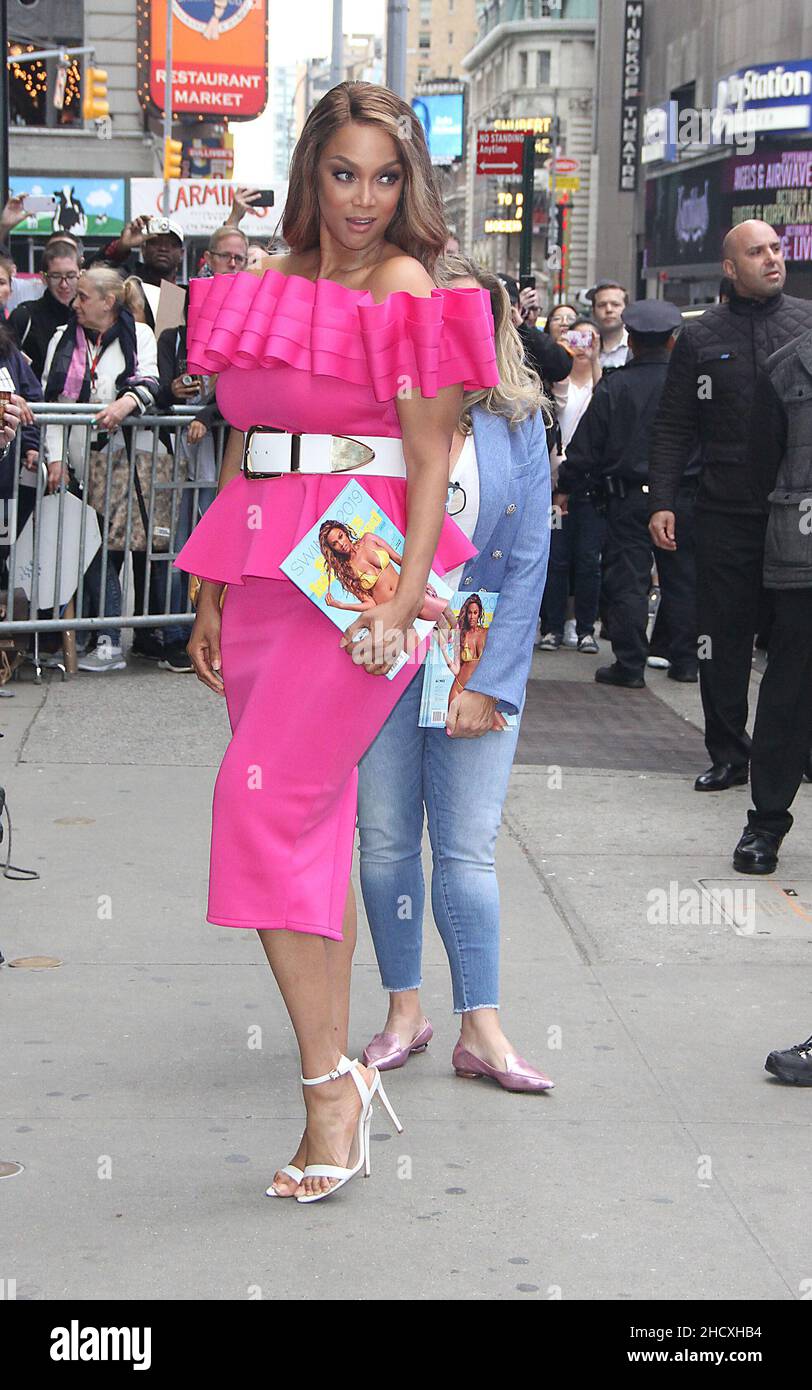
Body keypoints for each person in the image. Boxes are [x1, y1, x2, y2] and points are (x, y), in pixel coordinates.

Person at [173, 81, 499, 1204]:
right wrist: (213, 584)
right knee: (300, 824)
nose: (363, 199)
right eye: (344, 172)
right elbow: (248, 434)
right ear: (310, 171)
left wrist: (405, 603)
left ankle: (329, 1085)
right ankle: (340, 1071)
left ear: (409, 184)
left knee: (258, 805)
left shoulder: (408, 286)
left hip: (356, 578)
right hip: (262, 570)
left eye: (386, 175)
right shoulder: (265, 285)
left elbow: (426, 461)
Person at [352, 254, 554, 1105]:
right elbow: (341, 520)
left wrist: (493, 681)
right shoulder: (378, 404)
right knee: (388, 840)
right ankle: (405, 1012)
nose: (457, 326)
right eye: (442, 311)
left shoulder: (519, 420)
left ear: (500, 323)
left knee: (467, 849)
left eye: (476, 313)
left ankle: (484, 1026)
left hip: (474, 643)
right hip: (383, 643)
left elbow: (532, 558)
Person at [648, 220, 812, 792]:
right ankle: (729, 752)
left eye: (775, 249)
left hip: (798, 515)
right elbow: (673, 423)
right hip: (725, 511)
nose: (772, 259)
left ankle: (799, 747)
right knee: (722, 637)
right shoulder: (699, 335)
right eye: (756, 252)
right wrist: (662, 499)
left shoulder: (807, 322)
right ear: (729, 267)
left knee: (798, 639)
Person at [557, 299, 698, 688]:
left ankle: (630, 663)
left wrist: (565, 485)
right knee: (683, 578)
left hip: (629, 497)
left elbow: (586, 448)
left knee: (629, 580)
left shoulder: (615, 386)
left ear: (632, 341)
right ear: (673, 341)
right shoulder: (692, 386)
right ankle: (686, 661)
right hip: (684, 494)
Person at [41, 266, 163, 673]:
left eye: (83, 297)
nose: (75, 304)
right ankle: (90, 637)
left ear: (108, 302)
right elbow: (53, 406)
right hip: (78, 465)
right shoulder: (62, 339)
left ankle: (108, 641)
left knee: (106, 551)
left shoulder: (139, 334)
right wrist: (55, 457)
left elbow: (150, 381)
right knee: (85, 550)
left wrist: (124, 405)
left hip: (124, 462)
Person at [732, 325, 812, 875]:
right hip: (802, 555)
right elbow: (760, 468)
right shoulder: (786, 369)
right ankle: (765, 821)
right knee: (789, 686)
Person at [537, 315, 603, 653]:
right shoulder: (557, 386)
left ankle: (586, 627)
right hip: (553, 482)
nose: (582, 346)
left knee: (589, 558)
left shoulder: (602, 385)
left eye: (589, 340)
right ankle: (552, 626)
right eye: (576, 339)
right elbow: (556, 407)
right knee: (556, 557)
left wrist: (596, 365)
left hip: (590, 486)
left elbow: (602, 408)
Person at [91, 215, 186, 328]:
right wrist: (121, 246)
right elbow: (89, 276)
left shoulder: (187, 297)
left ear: (182, 254)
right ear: (143, 249)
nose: (163, 248)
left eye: (172, 244)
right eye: (155, 242)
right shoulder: (126, 283)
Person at [8, 241, 80, 381]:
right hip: (31, 400)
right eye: (56, 276)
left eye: (71, 276)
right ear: (44, 277)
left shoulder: (88, 318)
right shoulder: (24, 316)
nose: (64, 284)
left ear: (80, 275)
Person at [587, 280, 629, 368]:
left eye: (615, 304)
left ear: (627, 310)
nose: (609, 310)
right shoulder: (583, 344)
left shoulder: (638, 346)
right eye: (602, 305)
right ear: (593, 312)